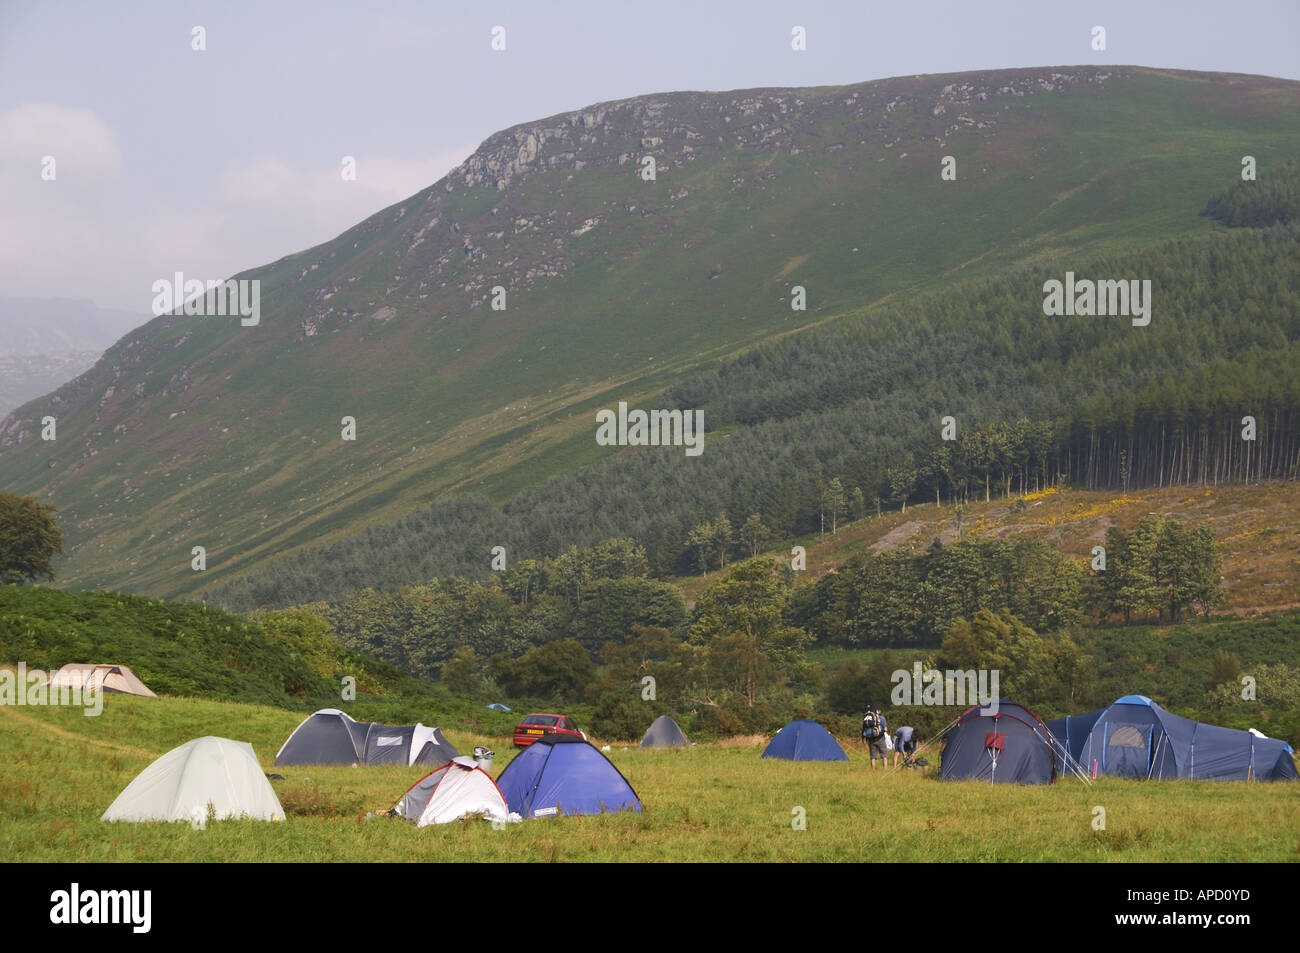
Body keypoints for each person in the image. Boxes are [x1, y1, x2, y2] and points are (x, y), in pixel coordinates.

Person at [861, 703, 889, 770]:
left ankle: (873, 770)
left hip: (871, 739)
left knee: (873, 756)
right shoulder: (882, 718)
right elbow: (885, 729)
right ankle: (885, 770)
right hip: (880, 738)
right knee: (884, 755)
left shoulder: (868, 718)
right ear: (878, 711)